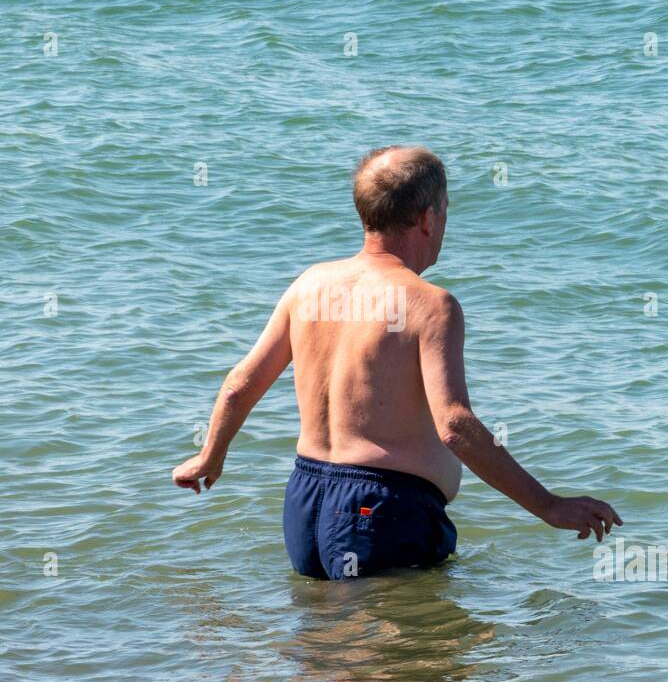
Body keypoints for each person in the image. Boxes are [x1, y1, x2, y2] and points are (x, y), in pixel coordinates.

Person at [172, 145, 622, 579]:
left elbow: (239, 383)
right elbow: (455, 426)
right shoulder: (431, 305)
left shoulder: (310, 286)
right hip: (384, 511)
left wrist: (210, 457)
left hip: (305, 503)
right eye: (445, 210)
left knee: (326, 648)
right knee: (402, 654)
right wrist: (549, 505)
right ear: (428, 218)